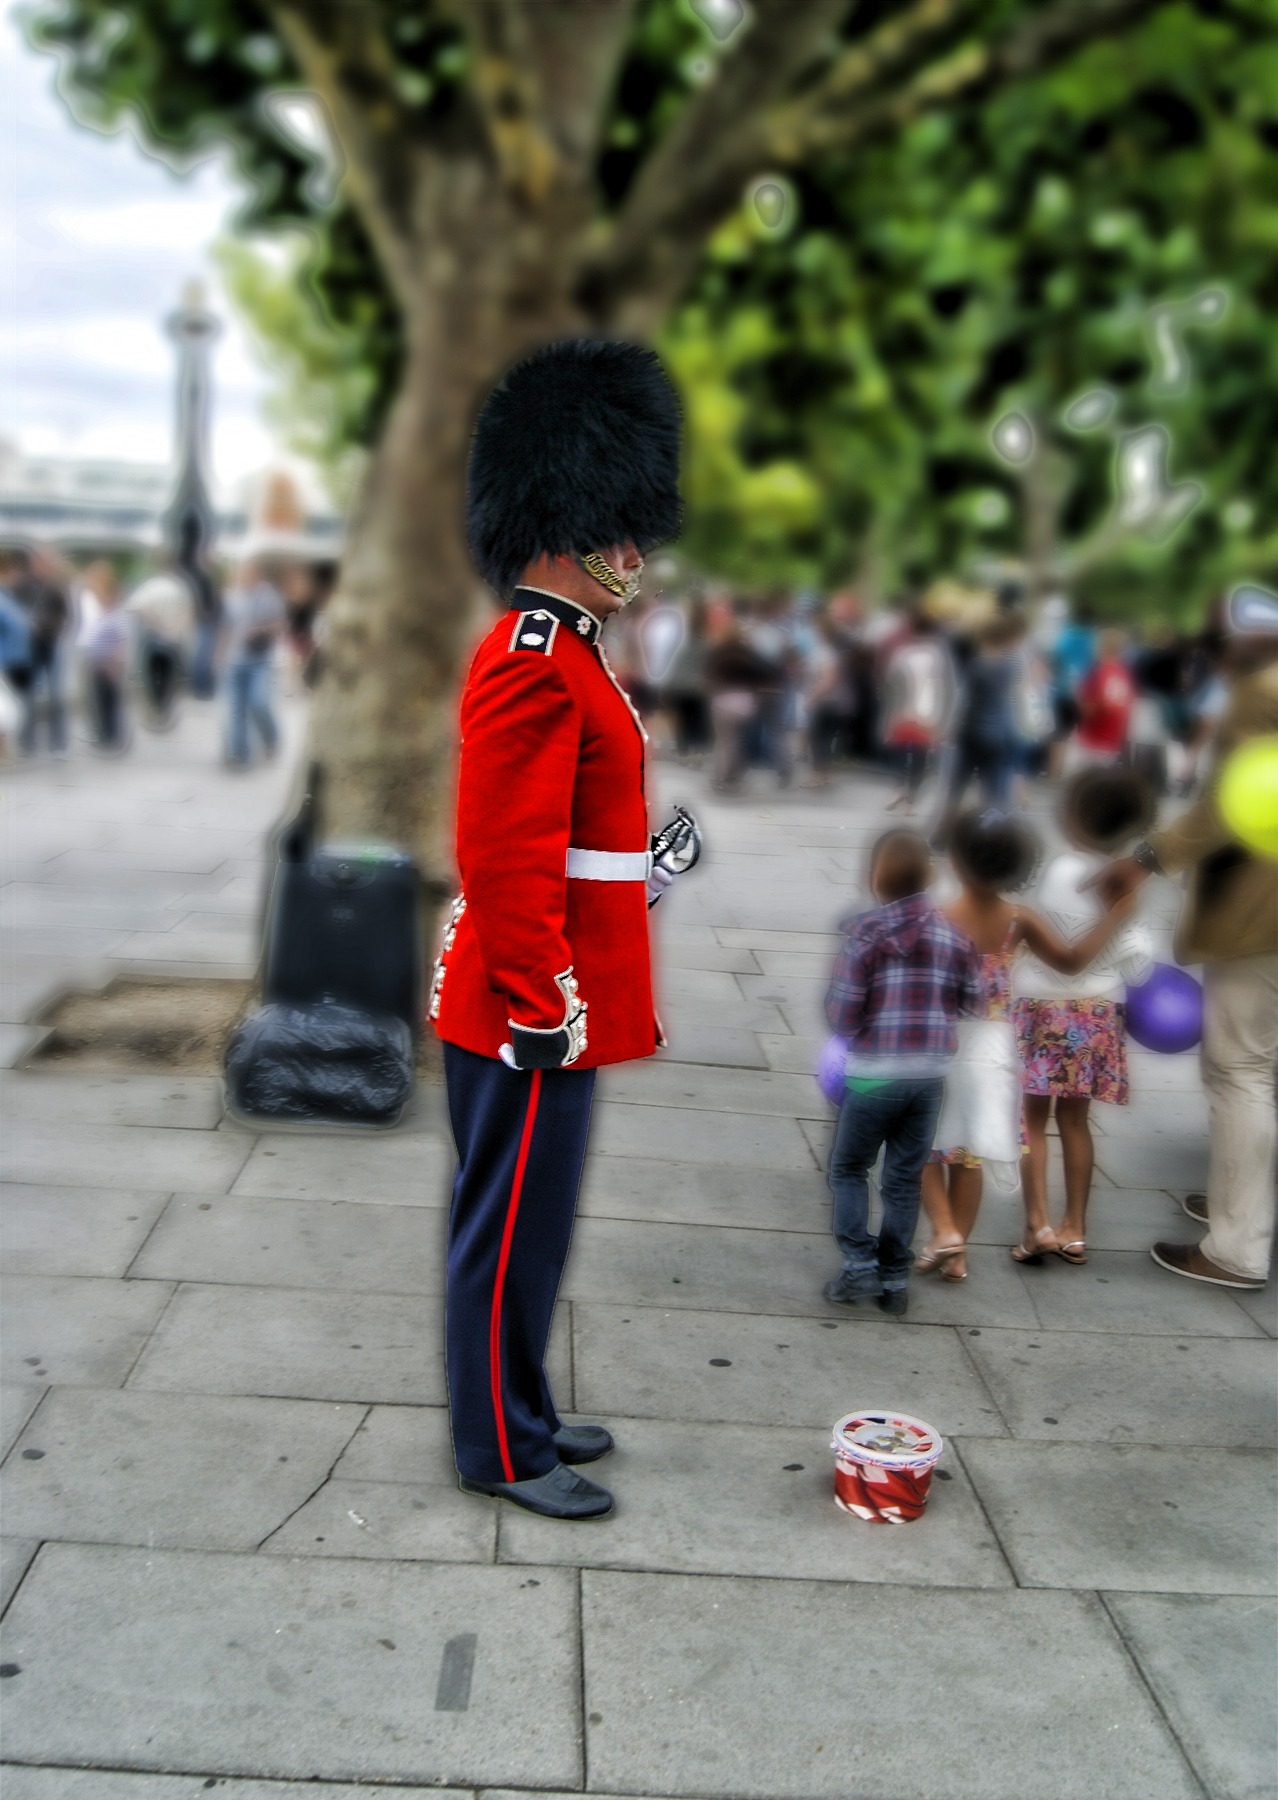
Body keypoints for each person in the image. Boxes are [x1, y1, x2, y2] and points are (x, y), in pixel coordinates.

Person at [429, 338, 689, 1521]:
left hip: (557, 994)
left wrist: (646, 873)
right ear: (562, 519)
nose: (634, 555)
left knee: (536, 1236)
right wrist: (542, 1000)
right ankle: (499, 1449)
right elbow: (501, 856)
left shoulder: (571, 653)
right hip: (530, 1008)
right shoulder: (536, 657)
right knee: (506, 1240)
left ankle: (521, 1406)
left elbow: (572, 840)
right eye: (618, 529)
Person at [1087, 586, 1278, 1291]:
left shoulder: (1262, 693)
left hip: (1261, 912)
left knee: (1240, 1070)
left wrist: (1142, 858)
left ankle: (1236, 1247)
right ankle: (1243, 1201)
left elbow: (1229, 805)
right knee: (1262, 1065)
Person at [915, 808, 1140, 1278]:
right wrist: (1117, 915)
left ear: (955, 860)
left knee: (921, 1146)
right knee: (968, 1152)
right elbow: (1073, 962)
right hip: (992, 1050)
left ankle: (944, 1231)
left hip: (940, 1044)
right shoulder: (1018, 919)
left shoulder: (936, 917)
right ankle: (958, 1253)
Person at [823, 829, 986, 1317]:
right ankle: (894, 1277)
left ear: (876, 877)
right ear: (930, 876)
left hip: (873, 1075)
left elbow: (844, 1016)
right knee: (904, 1178)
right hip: (929, 1078)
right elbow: (974, 1002)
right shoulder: (954, 936)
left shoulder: (864, 937)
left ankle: (858, 1262)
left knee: (850, 1167)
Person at [1010, 770, 1156, 1267]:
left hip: (1044, 1008)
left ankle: (1038, 1225)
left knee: (1033, 1119)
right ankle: (1075, 1228)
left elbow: (1046, 941)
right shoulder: (1126, 886)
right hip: (1098, 1013)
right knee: (1076, 1121)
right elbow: (1139, 959)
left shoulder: (1060, 871)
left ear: (1072, 816)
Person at [933, 613, 1026, 843]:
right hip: (998, 735)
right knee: (993, 793)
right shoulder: (1011, 665)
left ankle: (942, 835)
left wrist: (948, 728)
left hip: (970, 733)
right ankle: (993, 837)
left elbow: (965, 702)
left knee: (956, 788)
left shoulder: (977, 665)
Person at [881, 610, 956, 814]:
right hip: (929, 714)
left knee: (899, 753)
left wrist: (888, 717)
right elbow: (949, 690)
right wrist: (945, 722)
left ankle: (899, 786)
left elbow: (890, 685)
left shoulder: (903, 654)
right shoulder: (941, 656)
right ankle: (911, 801)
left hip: (902, 713)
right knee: (920, 759)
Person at [220, 560, 286, 767]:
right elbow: (226, 629)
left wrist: (261, 630)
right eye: (240, 573)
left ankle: (271, 738)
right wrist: (218, 656)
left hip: (260, 660)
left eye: (247, 573)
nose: (243, 577)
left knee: (259, 702)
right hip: (235, 660)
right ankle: (240, 753)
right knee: (236, 709)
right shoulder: (231, 596)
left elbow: (279, 626)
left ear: (257, 575)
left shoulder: (269, 596)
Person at [125, 556, 196, 728]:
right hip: (173, 641)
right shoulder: (180, 587)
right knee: (167, 678)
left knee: (150, 677)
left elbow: (135, 607)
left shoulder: (150, 586)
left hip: (153, 639)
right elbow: (188, 613)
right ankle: (164, 711)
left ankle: (155, 710)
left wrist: (156, 623)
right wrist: (176, 629)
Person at [1068, 627, 1134, 769]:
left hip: (1092, 739)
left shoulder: (1098, 672)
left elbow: (1089, 709)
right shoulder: (1122, 674)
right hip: (1112, 740)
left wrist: (1076, 695)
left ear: (1104, 646)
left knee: (1081, 783)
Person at [84, 567, 131, 751]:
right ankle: (104, 735)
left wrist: (115, 665)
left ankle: (112, 738)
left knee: (109, 704)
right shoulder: (104, 614)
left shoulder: (117, 615)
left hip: (109, 666)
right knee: (101, 703)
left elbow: (122, 642)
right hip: (98, 665)